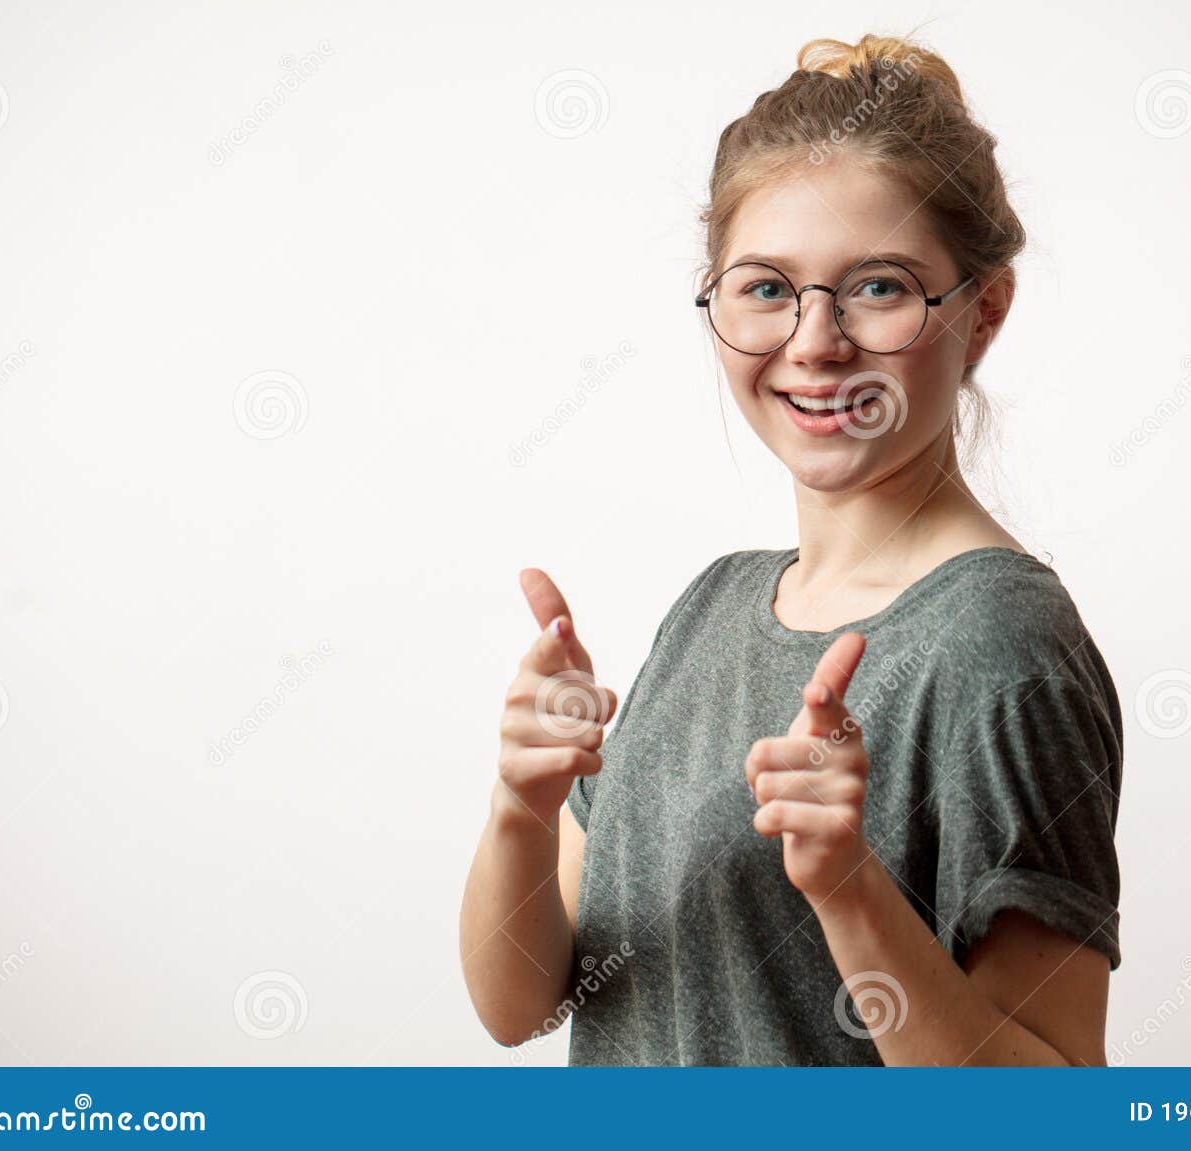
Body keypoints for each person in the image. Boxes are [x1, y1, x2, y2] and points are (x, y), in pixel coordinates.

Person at [461, 31, 1123, 1066]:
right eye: (766, 287)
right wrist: (521, 805)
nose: (814, 342)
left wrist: (848, 886)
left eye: (878, 287)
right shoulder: (710, 607)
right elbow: (520, 1005)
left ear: (983, 310)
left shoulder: (1000, 643)